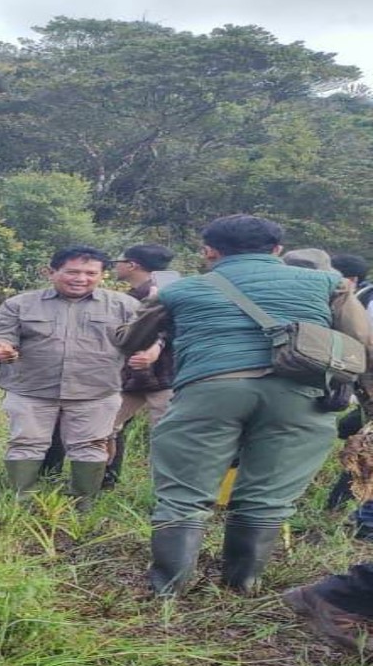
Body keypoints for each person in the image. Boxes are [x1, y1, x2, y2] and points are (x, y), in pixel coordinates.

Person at [119, 214, 373, 596]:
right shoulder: (329, 283)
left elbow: (128, 341)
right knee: (268, 498)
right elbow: (364, 346)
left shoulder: (179, 291)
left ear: (208, 251)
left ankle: (167, 591)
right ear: (277, 250)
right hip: (301, 397)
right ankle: (242, 585)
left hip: (209, 393)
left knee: (183, 495)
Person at [0, 246, 139, 505]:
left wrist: (151, 350)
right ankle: (22, 502)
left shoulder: (125, 305)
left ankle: (83, 503)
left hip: (97, 391)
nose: (81, 278)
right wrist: (0, 349)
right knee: (25, 443)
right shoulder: (19, 304)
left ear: (102, 275)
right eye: (72, 272)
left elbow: (147, 338)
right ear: (51, 272)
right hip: (30, 389)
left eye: (90, 273)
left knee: (91, 446)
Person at [107, 243, 178, 486]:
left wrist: (156, 348)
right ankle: (103, 481)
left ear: (132, 264)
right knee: (104, 428)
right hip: (129, 378)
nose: (116, 266)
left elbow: (171, 329)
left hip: (164, 378)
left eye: (119, 261)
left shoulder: (167, 294)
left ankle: (167, 490)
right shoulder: (126, 298)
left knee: (166, 435)